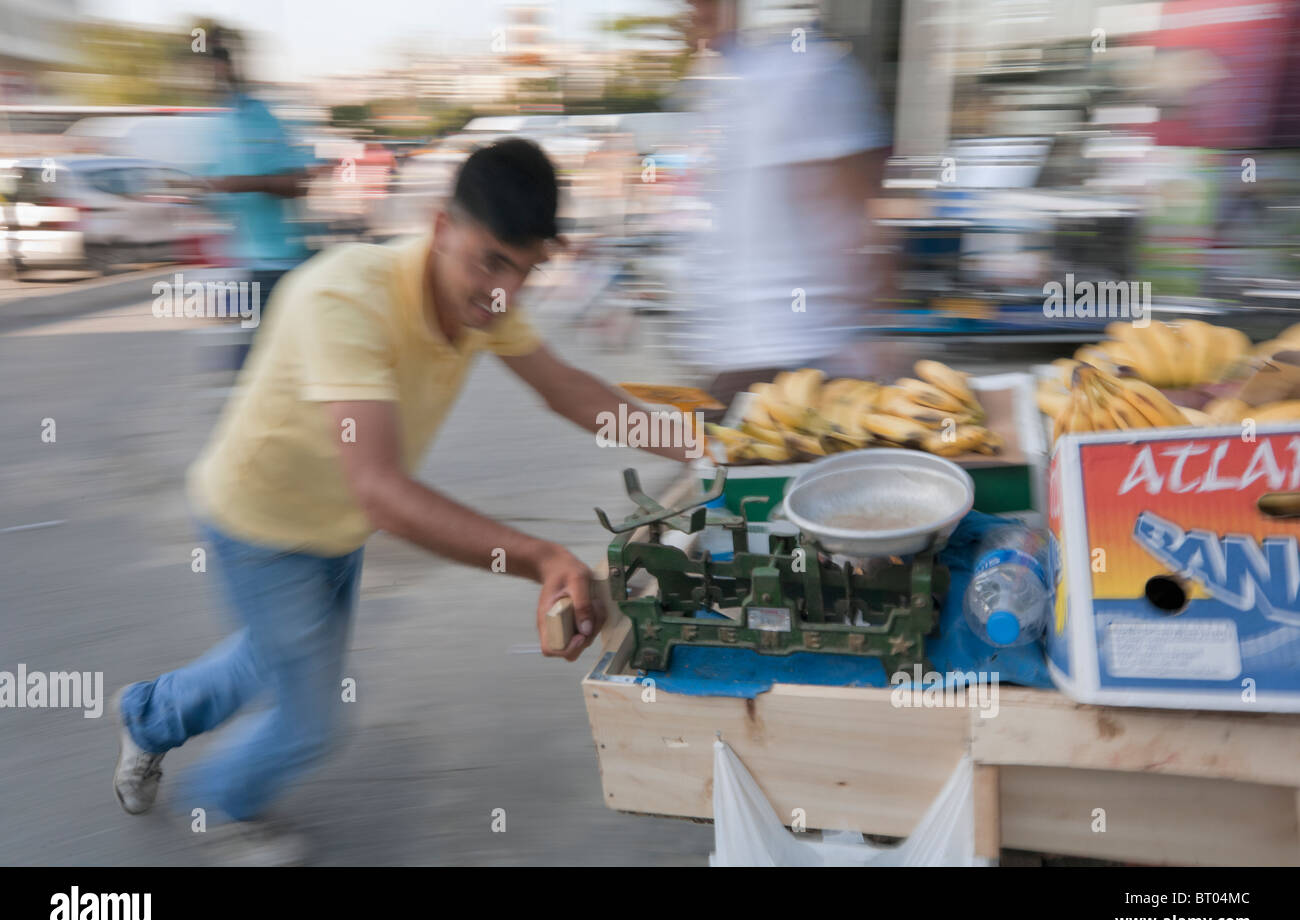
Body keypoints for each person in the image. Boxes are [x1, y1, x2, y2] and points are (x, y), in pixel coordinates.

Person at [111, 138, 692, 864]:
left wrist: (704, 442)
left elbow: (567, 389)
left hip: (334, 525)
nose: (503, 293)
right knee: (311, 720)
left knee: (269, 656)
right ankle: (224, 806)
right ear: (441, 227)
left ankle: (146, 715)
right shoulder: (346, 298)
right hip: (260, 523)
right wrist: (540, 557)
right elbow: (384, 492)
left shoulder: (486, 294)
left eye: (526, 270)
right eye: (491, 262)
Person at [679, 0, 898, 406]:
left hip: (803, 357)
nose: (690, 8)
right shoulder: (714, 80)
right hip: (729, 357)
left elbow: (859, 218)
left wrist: (870, 333)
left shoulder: (811, 71)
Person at [200, 28, 317, 366]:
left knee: (265, 369)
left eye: (219, 59)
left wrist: (242, 183)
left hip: (274, 264)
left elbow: (298, 184)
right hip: (234, 267)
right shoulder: (213, 121)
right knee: (250, 371)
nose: (213, 70)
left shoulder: (261, 116)